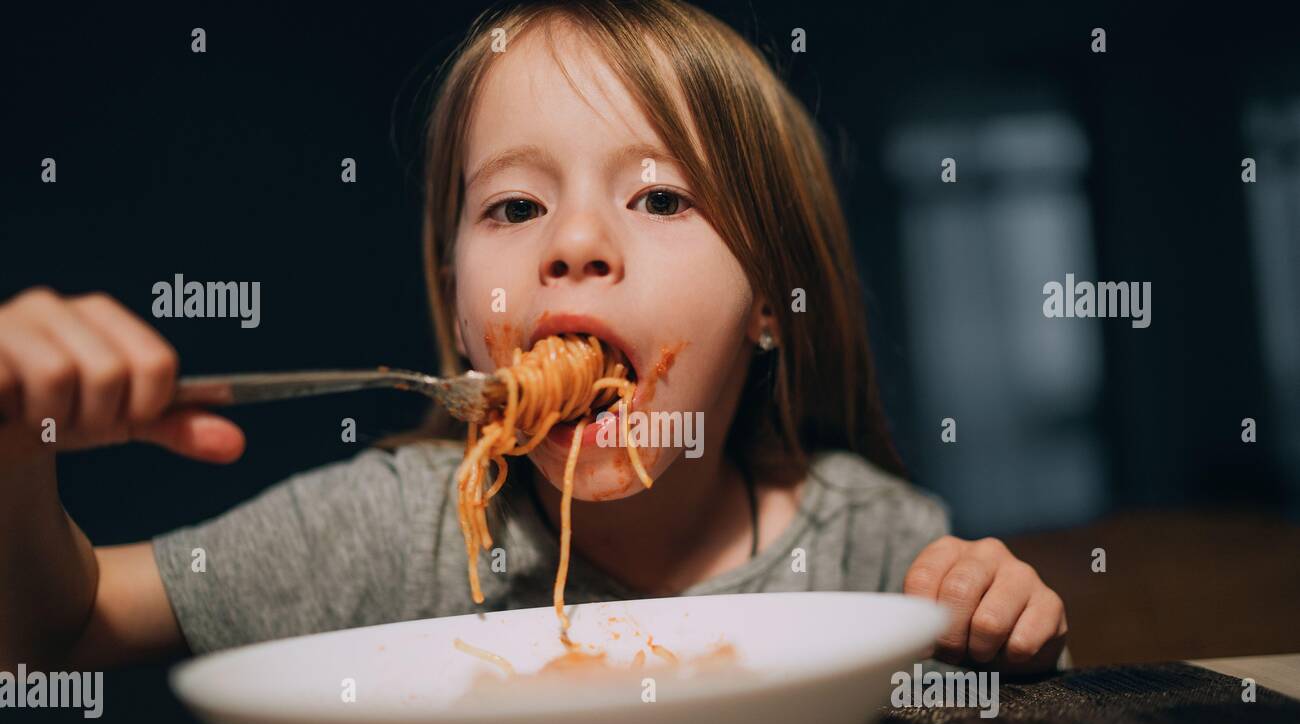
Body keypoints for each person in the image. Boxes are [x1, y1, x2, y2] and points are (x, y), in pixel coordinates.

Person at [0, 0, 1068, 674]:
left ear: (767, 306)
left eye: (660, 198)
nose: (575, 244)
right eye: (512, 208)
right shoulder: (395, 533)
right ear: (463, 311)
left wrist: (999, 623)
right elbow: (60, 630)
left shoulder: (872, 544)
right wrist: (14, 450)